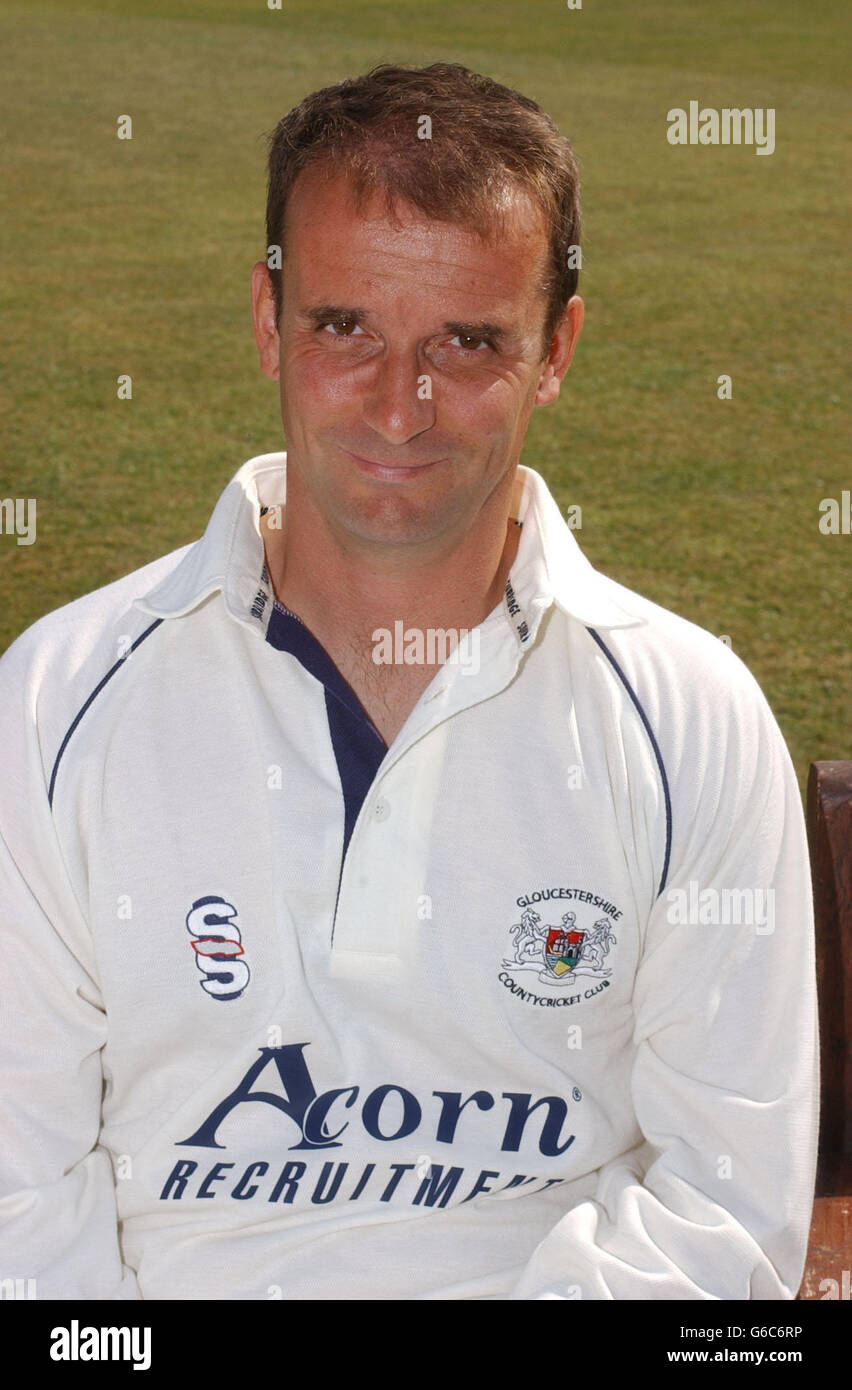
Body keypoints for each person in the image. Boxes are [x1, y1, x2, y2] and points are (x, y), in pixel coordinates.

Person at [0, 62, 818, 1301]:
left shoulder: (691, 716)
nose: (401, 405)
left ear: (557, 349)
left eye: (469, 341)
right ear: (269, 319)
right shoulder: (57, 699)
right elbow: (21, 1205)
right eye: (345, 328)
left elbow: (724, 1215)